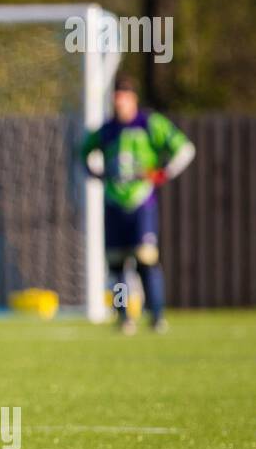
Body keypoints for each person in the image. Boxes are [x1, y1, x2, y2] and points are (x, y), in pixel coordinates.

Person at [81, 74, 196, 334]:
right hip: (113, 202)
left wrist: (163, 172)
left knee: (145, 258)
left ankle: (156, 316)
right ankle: (125, 319)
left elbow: (185, 149)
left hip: (141, 201)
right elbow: (83, 152)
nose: (118, 102)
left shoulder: (149, 123)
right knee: (116, 263)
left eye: (122, 97)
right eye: (115, 97)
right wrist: (94, 173)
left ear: (132, 98)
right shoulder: (107, 129)